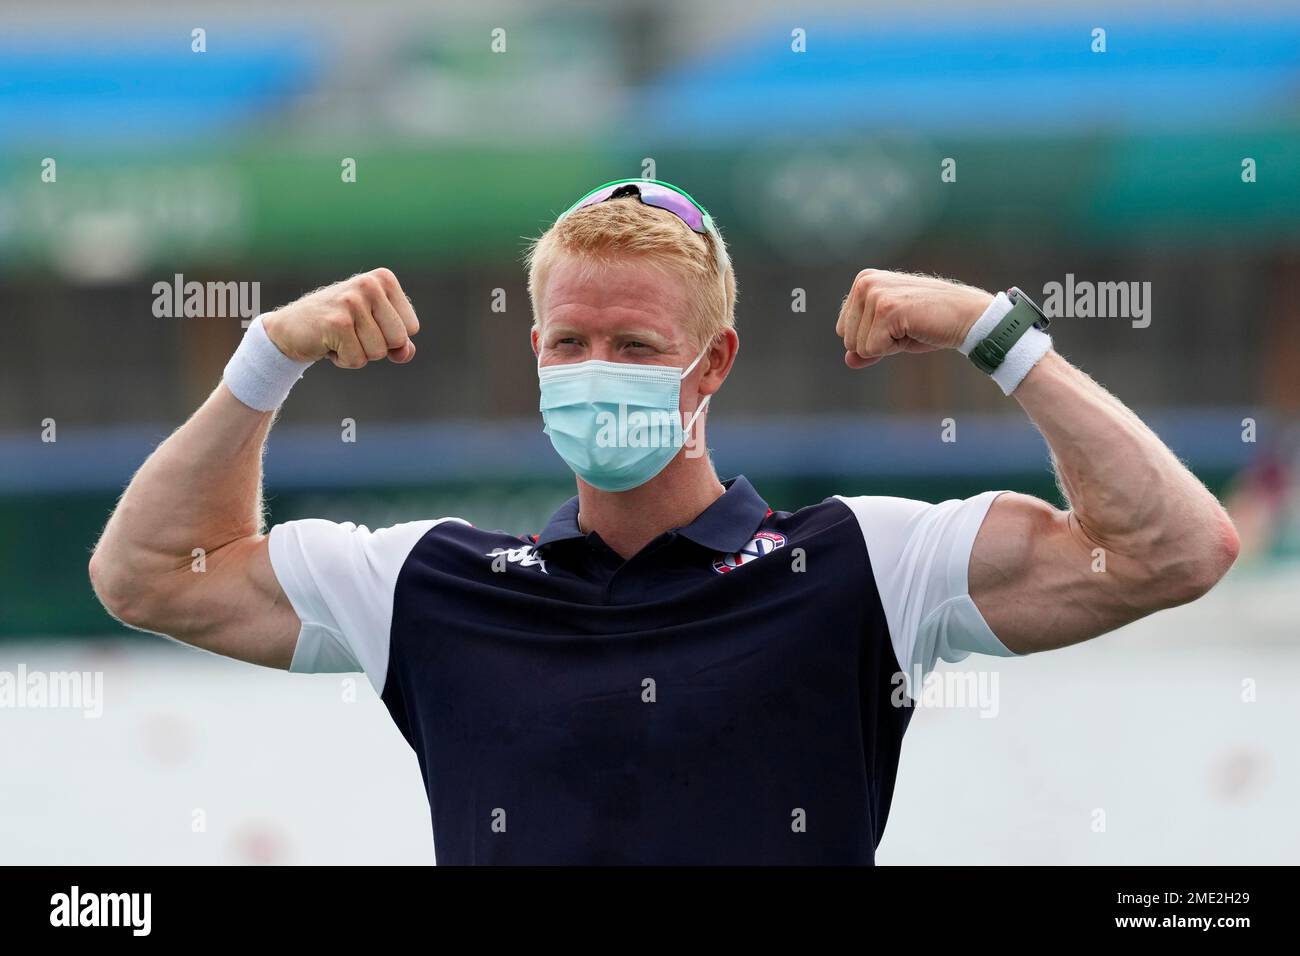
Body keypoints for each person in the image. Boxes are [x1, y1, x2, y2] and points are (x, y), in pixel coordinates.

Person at [89, 179, 1239, 864]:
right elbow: (148, 573)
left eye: (636, 347)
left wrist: (994, 330)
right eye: (572, 342)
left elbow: (1175, 548)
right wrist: (268, 355)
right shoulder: (428, 583)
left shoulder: (867, 563)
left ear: (711, 363)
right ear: (534, 354)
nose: (599, 368)